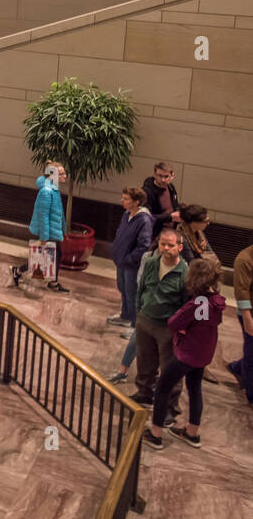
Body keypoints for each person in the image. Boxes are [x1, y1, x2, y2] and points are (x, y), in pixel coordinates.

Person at [143, 258, 224, 449]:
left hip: (187, 354)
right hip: (203, 354)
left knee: (163, 387)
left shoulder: (198, 304)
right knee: (195, 388)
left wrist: (182, 329)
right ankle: (192, 432)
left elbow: (174, 323)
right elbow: (203, 325)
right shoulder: (216, 301)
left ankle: (155, 433)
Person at [132, 226, 189, 423]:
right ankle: (144, 392)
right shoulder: (151, 263)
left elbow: (185, 305)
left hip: (167, 328)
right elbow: (141, 289)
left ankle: (169, 408)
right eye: (162, 244)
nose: (165, 248)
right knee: (145, 360)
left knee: (170, 369)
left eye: (170, 245)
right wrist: (139, 311)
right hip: (145, 320)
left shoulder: (185, 273)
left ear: (179, 247)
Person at [9, 163, 68, 292]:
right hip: (49, 231)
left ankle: (53, 281)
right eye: (62, 173)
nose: (65, 176)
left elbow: (58, 212)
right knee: (42, 258)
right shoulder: (46, 191)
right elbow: (43, 216)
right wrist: (44, 237)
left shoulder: (54, 188)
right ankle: (18, 271)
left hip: (54, 229)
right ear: (52, 175)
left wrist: (62, 228)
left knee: (54, 255)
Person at [109, 186, 152, 329]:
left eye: (126, 199)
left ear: (137, 202)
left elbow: (144, 245)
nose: (122, 200)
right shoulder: (126, 214)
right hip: (121, 261)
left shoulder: (144, 220)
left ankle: (135, 326)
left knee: (132, 293)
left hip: (131, 264)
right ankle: (125, 315)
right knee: (123, 289)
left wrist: (129, 259)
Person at [229, 243, 253, 408]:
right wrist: (247, 317)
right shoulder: (244, 259)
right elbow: (241, 290)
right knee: (252, 353)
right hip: (249, 312)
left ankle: (237, 367)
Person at [142, 161, 181, 241]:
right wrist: (170, 217)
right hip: (154, 234)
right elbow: (146, 218)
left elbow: (174, 206)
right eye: (160, 176)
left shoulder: (170, 187)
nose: (163, 180)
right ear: (154, 175)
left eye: (166, 176)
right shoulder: (147, 192)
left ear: (172, 176)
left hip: (170, 232)